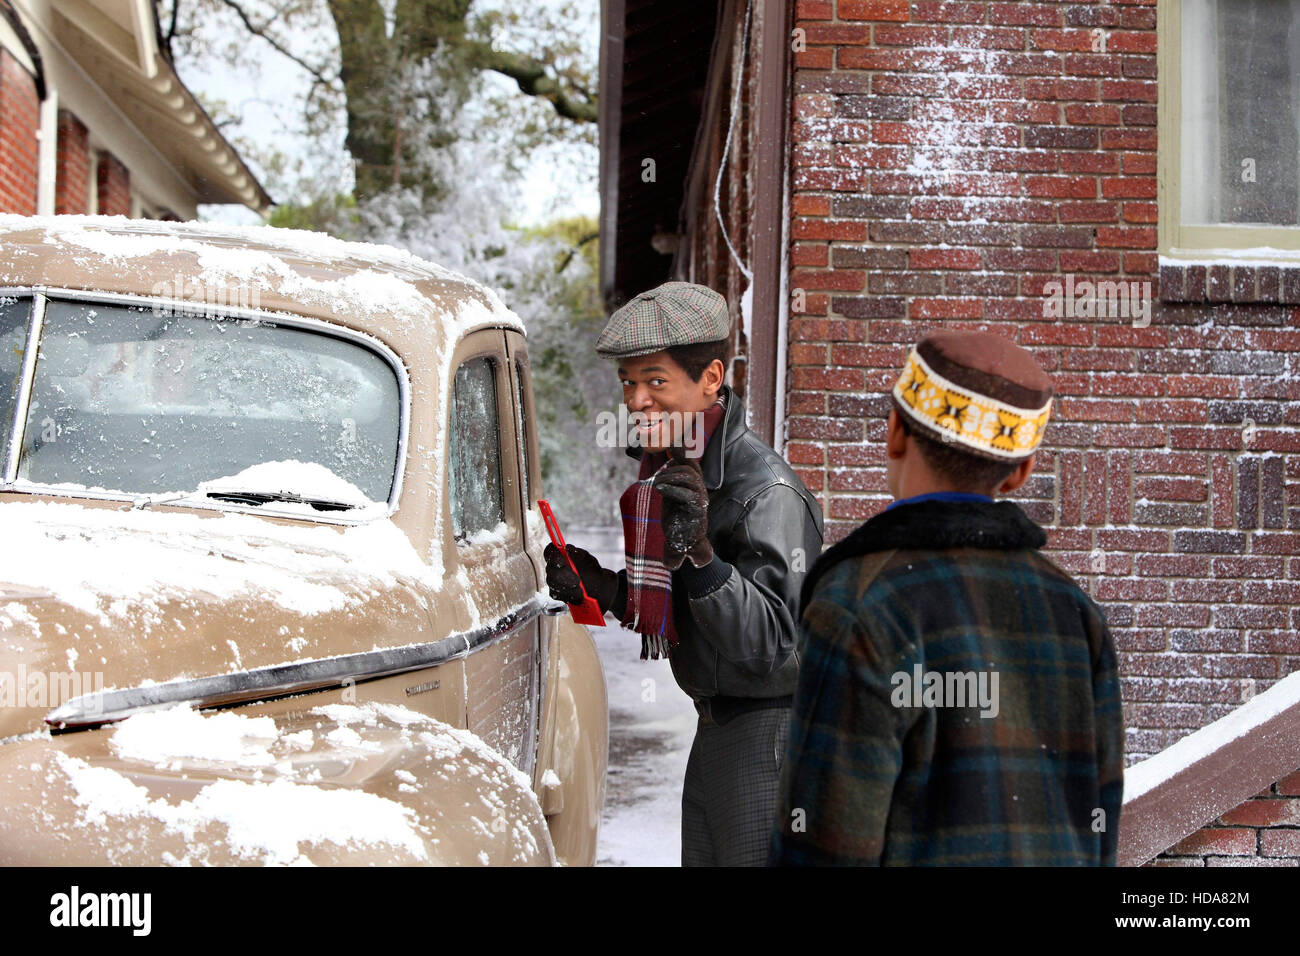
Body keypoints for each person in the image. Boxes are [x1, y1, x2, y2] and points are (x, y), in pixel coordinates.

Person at [771, 329, 1123, 866]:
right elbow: (1100, 821)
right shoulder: (1074, 611)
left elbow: (824, 843)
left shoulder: (857, 605)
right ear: (1022, 471)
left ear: (894, 431)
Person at [544, 281, 823, 866]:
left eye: (655, 381)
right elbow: (686, 610)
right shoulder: (675, 468)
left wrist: (699, 554)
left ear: (711, 379)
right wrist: (608, 589)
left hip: (767, 735)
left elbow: (779, 647)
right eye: (628, 382)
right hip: (715, 728)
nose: (636, 399)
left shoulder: (765, 490)